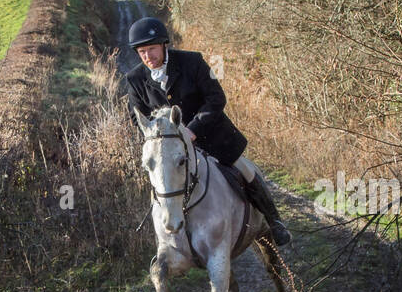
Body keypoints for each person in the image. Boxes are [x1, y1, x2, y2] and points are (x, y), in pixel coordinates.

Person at [122, 16, 291, 246]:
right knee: (162, 185)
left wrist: (192, 130)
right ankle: (170, 241)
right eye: (142, 52)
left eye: (151, 49)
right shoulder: (134, 79)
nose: (147, 57)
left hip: (211, 136)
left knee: (246, 170)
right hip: (172, 149)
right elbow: (137, 118)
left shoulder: (193, 62)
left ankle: (274, 222)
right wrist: (161, 137)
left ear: (163, 45)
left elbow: (216, 98)